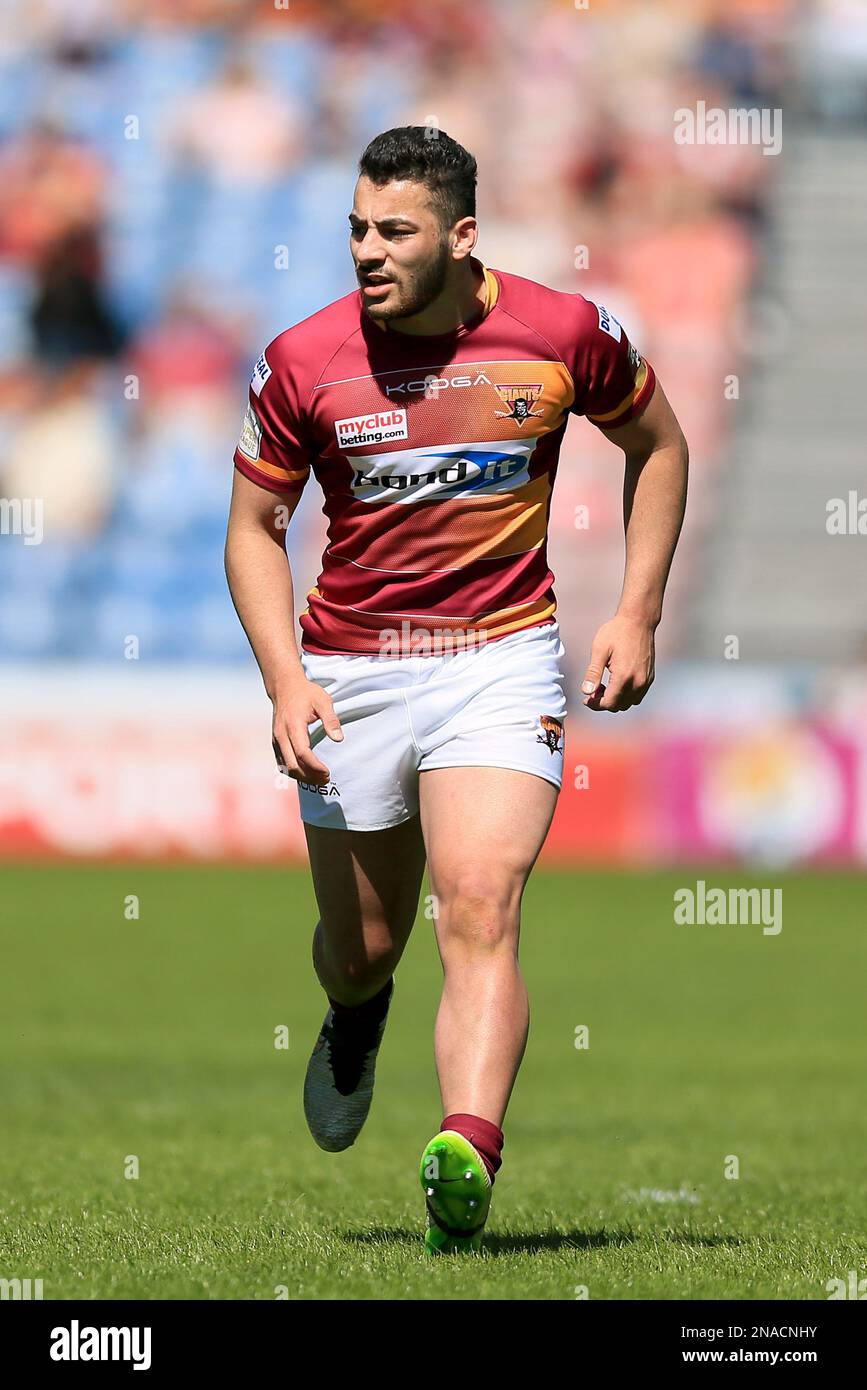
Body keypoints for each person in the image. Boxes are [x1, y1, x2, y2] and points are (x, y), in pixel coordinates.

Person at [225, 126, 688, 1254]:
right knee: (365, 947)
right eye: (356, 229)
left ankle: (466, 1150)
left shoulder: (564, 333)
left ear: (462, 235)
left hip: (500, 656)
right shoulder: (301, 361)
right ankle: (354, 1015)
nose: (367, 252)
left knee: (480, 904)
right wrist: (286, 681)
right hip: (351, 672)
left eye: (394, 231)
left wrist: (635, 610)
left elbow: (660, 446)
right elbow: (252, 530)